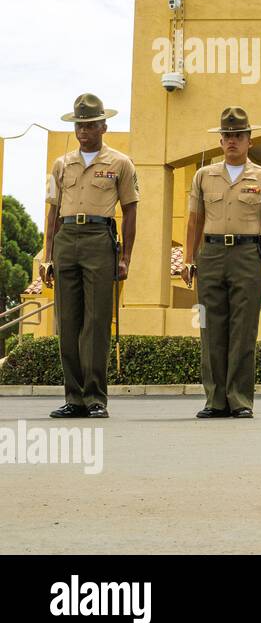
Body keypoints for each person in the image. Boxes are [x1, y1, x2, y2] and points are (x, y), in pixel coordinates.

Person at [42, 93, 139, 419]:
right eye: (79, 124)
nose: (84, 130)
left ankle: (95, 398)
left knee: (97, 322)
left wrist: (126, 256)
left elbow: (130, 210)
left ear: (103, 126)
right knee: (68, 322)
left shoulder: (120, 164)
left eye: (90, 124)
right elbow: (52, 212)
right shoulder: (61, 164)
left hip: (100, 238)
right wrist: (47, 255)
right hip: (66, 239)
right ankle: (74, 398)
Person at [182, 107, 261, 419]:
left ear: (250, 140)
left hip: (247, 254)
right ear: (220, 140)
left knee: (243, 329)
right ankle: (215, 399)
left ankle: (239, 399)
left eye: (238, 135)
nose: (232, 141)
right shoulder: (203, 176)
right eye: (227, 136)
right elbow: (194, 221)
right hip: (210, 255)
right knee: (209, 327)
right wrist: (188, 258)